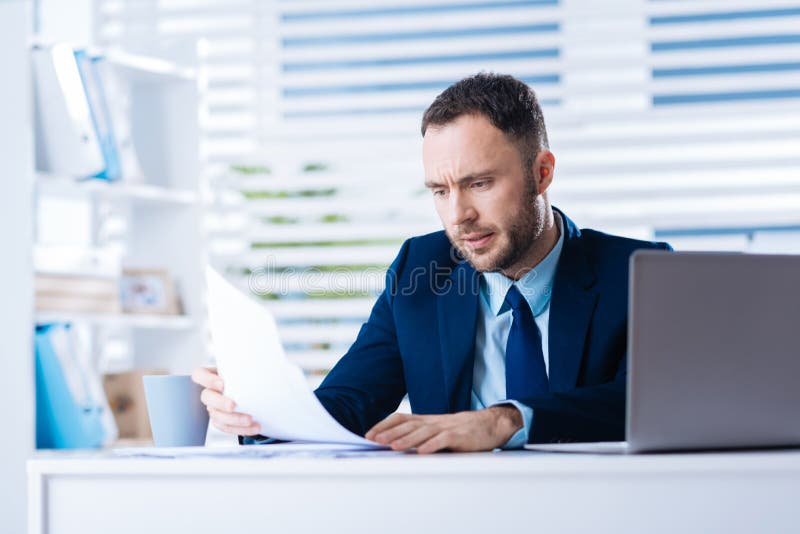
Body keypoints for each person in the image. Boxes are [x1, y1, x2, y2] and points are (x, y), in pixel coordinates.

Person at [193, 73, 671, 453]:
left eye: (479, 183)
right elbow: (349, 403)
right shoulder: (420, 268)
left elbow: (651, 402)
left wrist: (505, 421)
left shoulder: (640, 271)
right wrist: (262, 412)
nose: (458, 215)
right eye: (441, 191)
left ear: (541, 172)